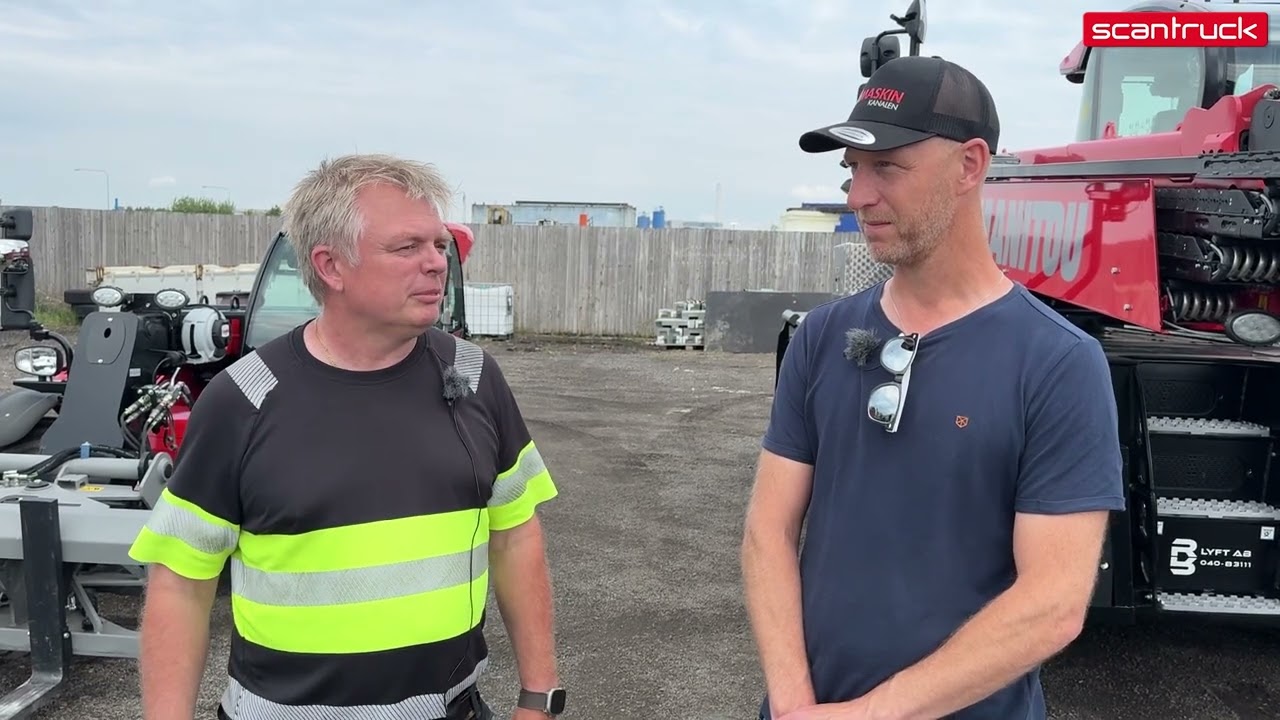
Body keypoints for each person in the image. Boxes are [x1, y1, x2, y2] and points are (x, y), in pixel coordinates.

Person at [740, 56, 1125, 720]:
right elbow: (767, 532)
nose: (859, 195)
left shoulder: (1059, 363)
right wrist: (793, 702)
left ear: (971, 166)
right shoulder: (820, 338)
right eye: (852, 170)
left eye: (886, 166)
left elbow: (1053, 605)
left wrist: (868, 716)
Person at [127, 153, 567, 720]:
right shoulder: (243, 400)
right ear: (331, 267)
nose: (436, 264)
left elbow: (516, 535)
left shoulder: (476, 378)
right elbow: (181, 582)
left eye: (439, 245)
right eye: (407, 247)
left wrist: (539, 695)